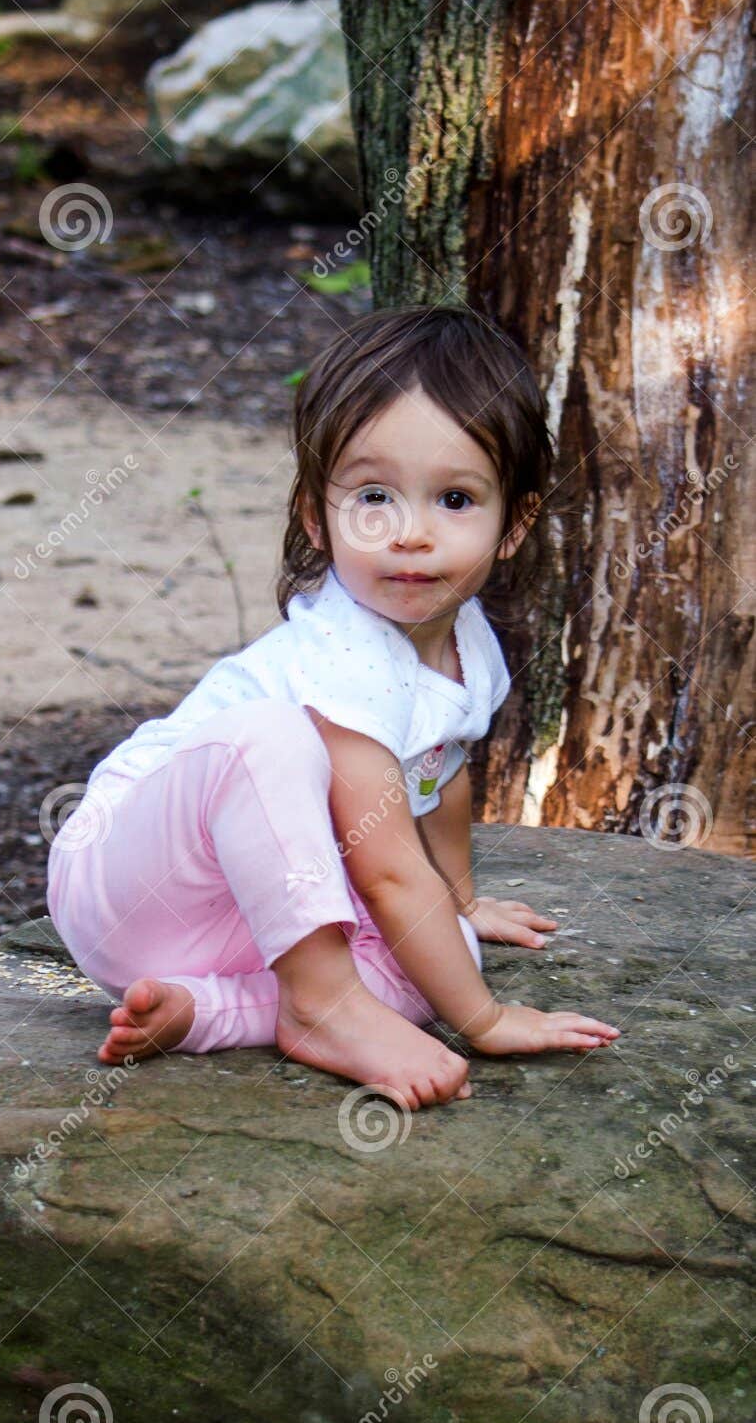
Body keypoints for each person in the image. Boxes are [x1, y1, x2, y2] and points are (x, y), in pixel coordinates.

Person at [46, 305, 620, 1111]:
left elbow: (442, 776)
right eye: (375, 497)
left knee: (438, 955)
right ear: (318, 513)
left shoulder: (470, 645)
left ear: (513, 524)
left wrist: (459, 905)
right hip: (135, 874)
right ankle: (324, 1003)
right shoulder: (347, 660)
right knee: (274, 738)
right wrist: (484, 1021)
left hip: (240, 923)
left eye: (455, 500)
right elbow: (385, 871)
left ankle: (207, 1009)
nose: (411, 534)